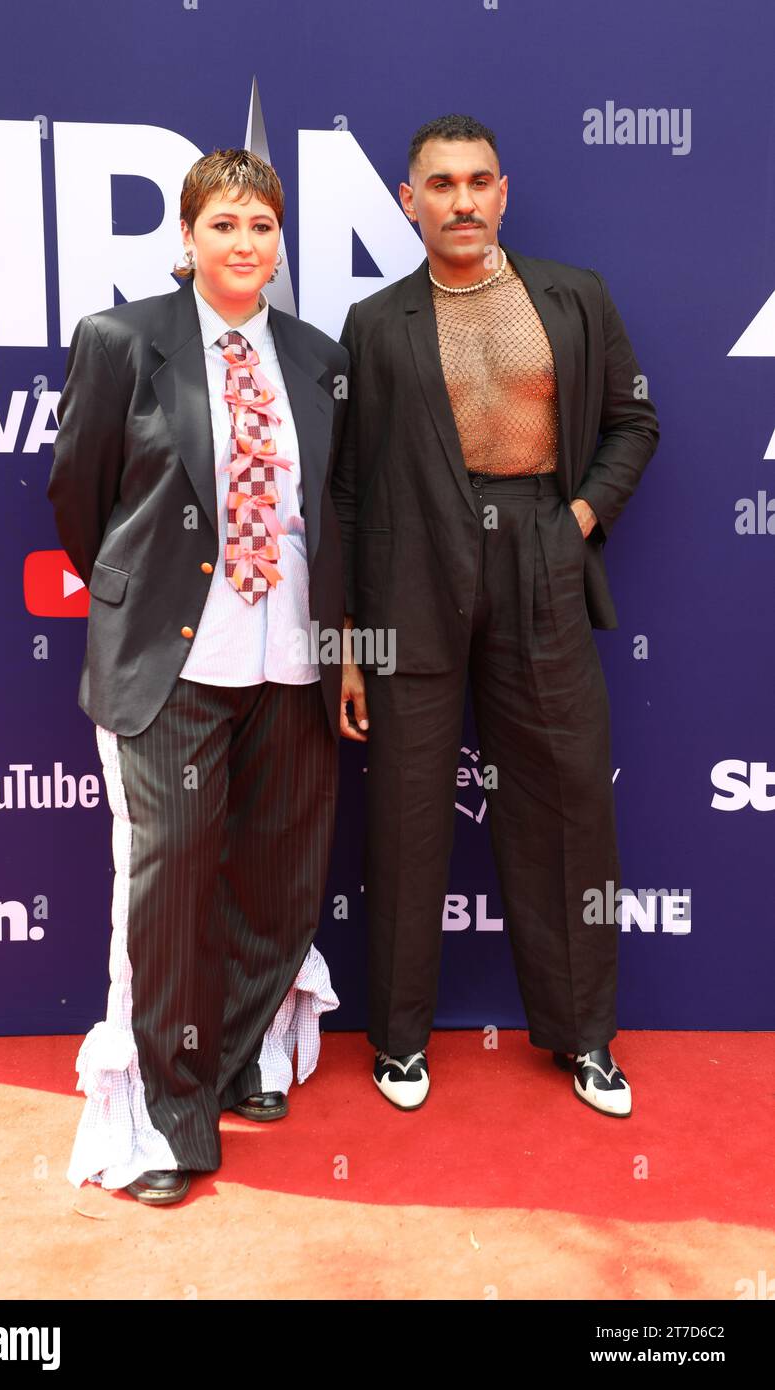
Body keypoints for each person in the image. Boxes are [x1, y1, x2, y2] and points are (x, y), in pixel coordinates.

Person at [332, 114, 659, 1119]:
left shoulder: (570, 296)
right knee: (406, 814)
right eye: (440, 184)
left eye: (477, 182)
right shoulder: (374, 324)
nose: (461, 201)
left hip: (538, 553)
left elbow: (630, 420)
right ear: (408, 201)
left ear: (503, 193)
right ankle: (395, 1041)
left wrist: (574, 517)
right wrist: (348, 641)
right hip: (410, 569)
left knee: (565, 801)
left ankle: (584, 1037)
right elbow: (345, 487)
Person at [48, 148, 349, 1204]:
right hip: (174, 660)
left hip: (293, 655)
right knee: (171, 887)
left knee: (277, 877)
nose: (244, 244)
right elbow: (80, 502)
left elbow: (339, 515)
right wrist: (145, 595)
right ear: (186, 239)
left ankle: (228, 1058)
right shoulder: (124, 342)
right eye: (224, 225)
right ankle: (168, 1122)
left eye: (262, 226)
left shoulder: (316, 357)